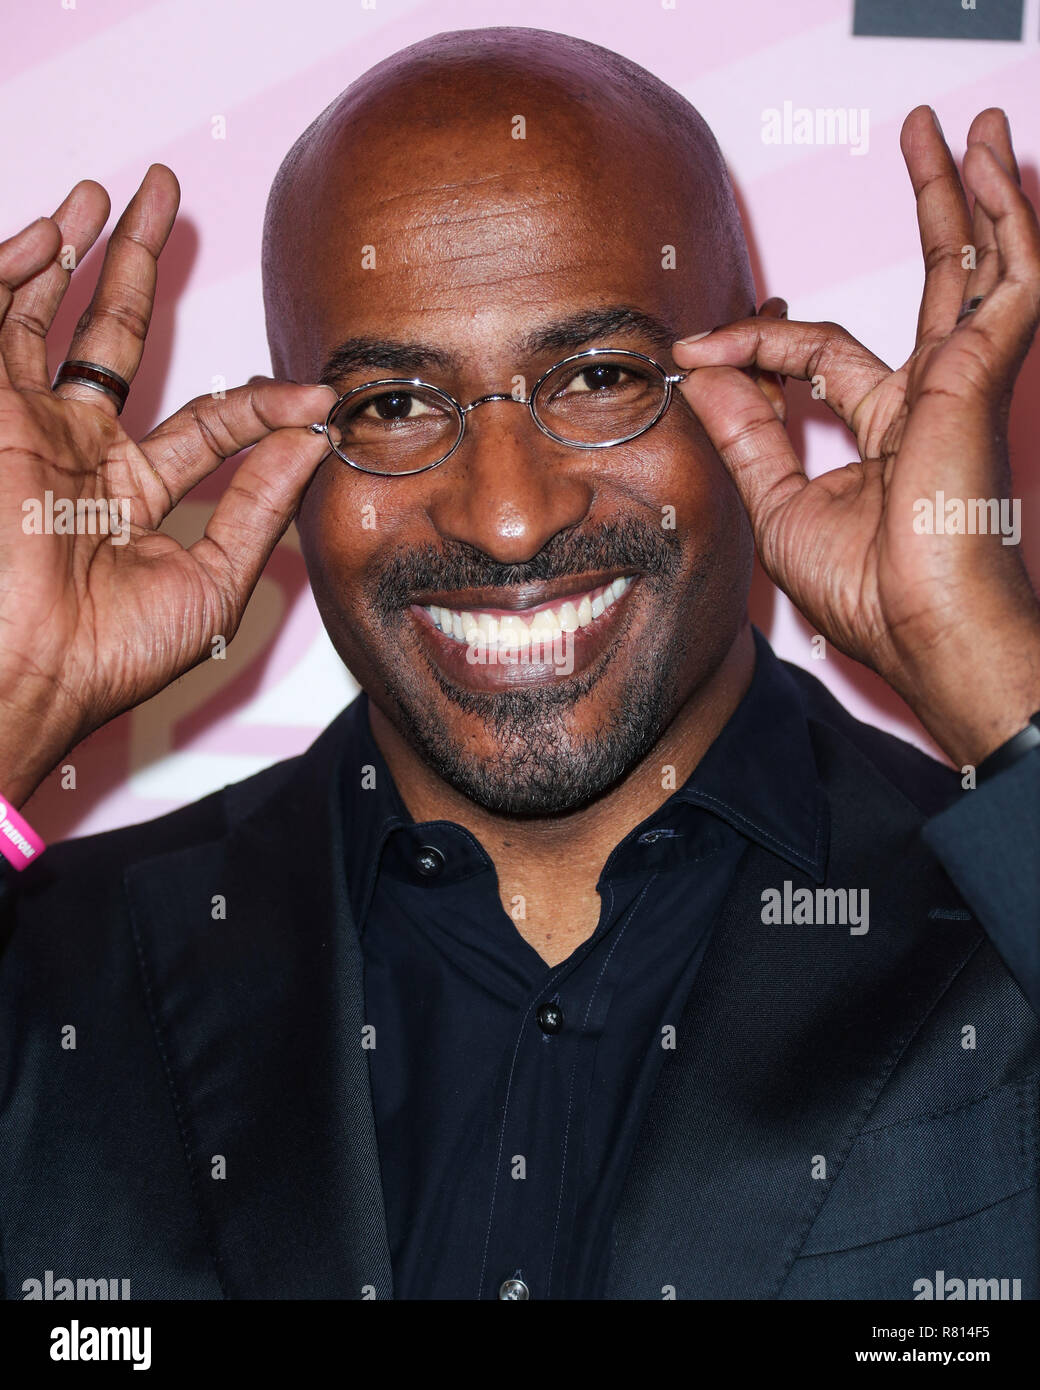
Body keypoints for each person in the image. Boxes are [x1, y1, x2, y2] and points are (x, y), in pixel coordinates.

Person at [0, 27, 1037, 1301]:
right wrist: (11, 699)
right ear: (283, 444)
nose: (504, 514)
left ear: (759, 383)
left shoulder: (1001, 916)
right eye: (391, 403)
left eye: (600, 377)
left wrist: (995, 678)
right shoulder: (60, 966)